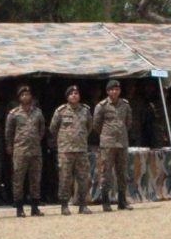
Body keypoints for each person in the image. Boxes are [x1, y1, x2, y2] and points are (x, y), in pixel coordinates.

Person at [49, 84, 93, 214]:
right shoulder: (61, 111)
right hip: (66, 150)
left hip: (81, 149)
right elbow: (53, 128)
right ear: (67, 97)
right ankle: (64, 205)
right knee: (65, 178)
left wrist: (81, 137)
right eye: (71, 93)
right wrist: (65, 140)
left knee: (83, 178)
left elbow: (89, 127)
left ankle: (83, 204)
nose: (74, 95)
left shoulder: (85, 110)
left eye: (76, 93)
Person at [4, 85, 47, 217]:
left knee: (35, 179)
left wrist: (34, 140)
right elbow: (9, 132)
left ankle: (35, 207)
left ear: (31, 97)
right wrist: (10, 146)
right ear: (19, 98)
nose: (25, 97)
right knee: (18, 179)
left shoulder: (38, 112)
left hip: (35, 151)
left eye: (27, 94)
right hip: (20, 151)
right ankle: (19, 208)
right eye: (22, 95)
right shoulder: (14, 114)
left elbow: (42, 129)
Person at [92, 78, 134, 210]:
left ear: (120, 90)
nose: (115, 92)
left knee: (122, 172)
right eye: (112, 90)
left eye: (117, 89)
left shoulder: (125, 105)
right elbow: (96, 125)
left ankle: (122, 201)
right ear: (108, 91)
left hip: (122, 143)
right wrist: (107, 135)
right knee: (106, 173)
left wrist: (120, 133)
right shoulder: (101, 106)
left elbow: (128, 123)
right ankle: (105, 201)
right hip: (108, 144)